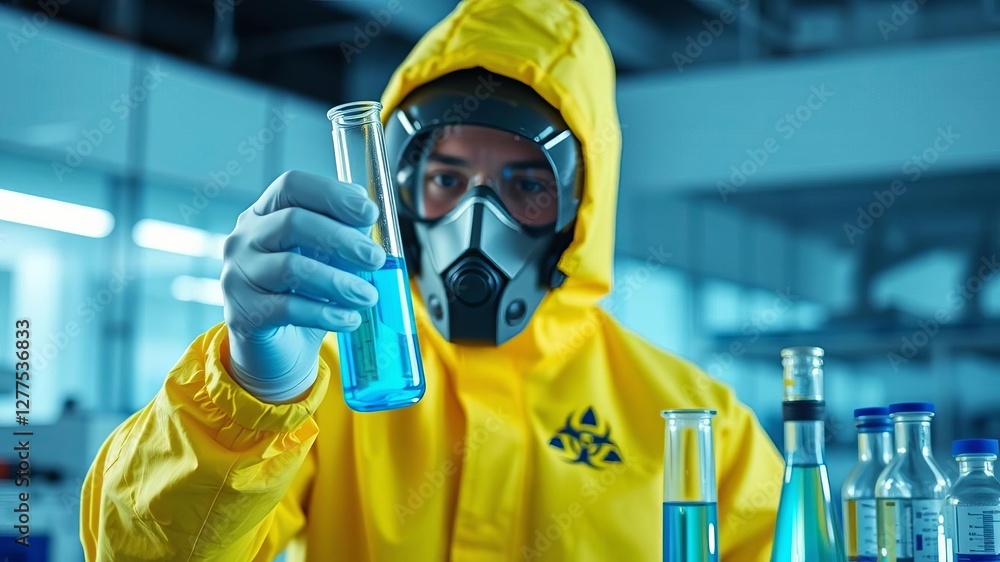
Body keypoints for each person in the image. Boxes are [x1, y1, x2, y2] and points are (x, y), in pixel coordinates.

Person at [80, 0, 784, 559]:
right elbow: (140, 555)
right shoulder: (323, 382)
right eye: (447, 178)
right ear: (399, 191)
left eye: (524, 182)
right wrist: (248, 396)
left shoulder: (697, 424)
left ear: (580, 208)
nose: (477, 219)